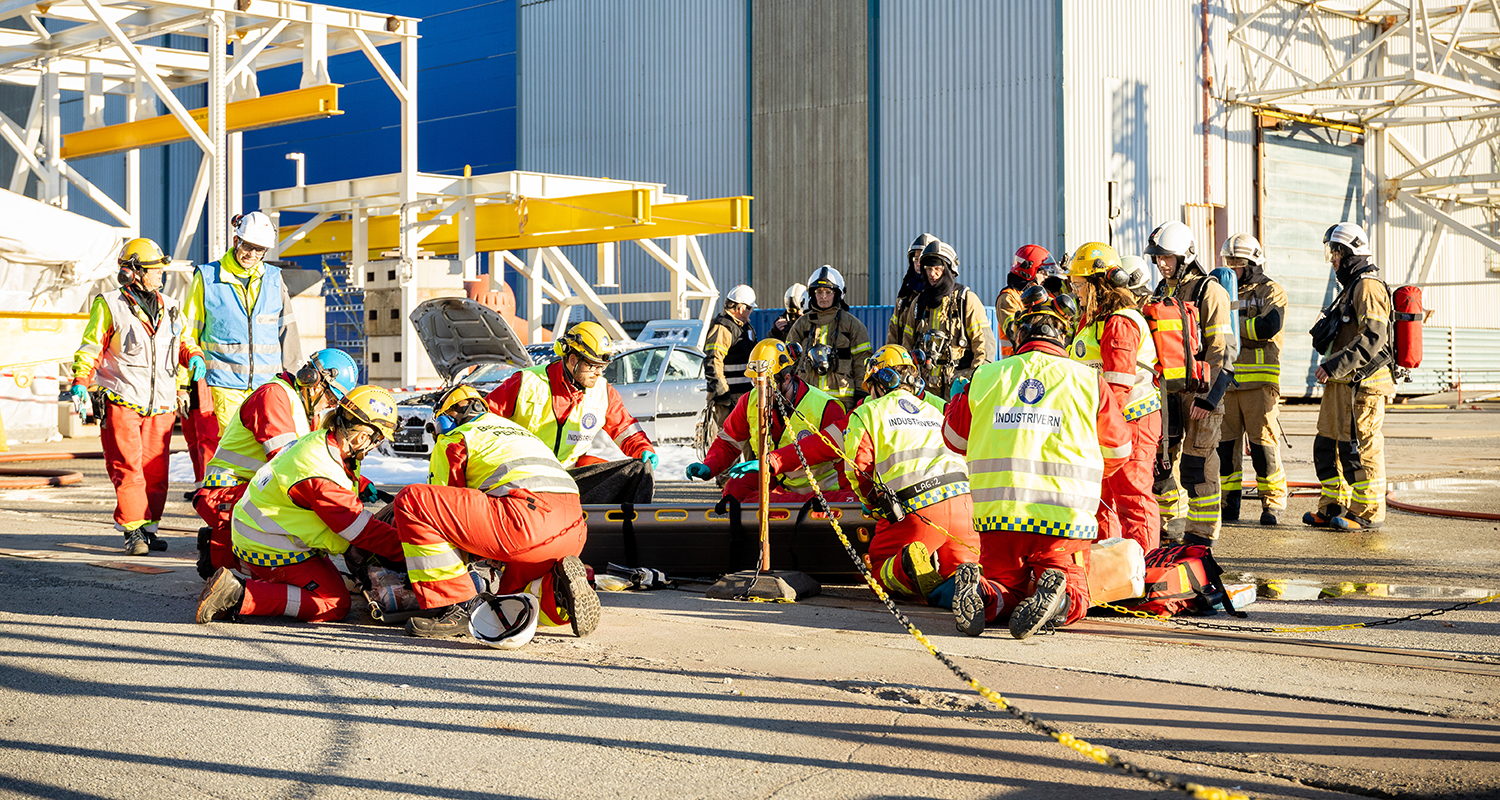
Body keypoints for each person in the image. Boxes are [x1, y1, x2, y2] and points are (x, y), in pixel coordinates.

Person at [944, 288, 1131, 639]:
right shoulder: (1088, 381)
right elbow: (1120, 450)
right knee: (1076, 593)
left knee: (1006, 588)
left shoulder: (985, 377)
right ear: (1063, 334)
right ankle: (1058, 599)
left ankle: (983, 595)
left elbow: (954, 440)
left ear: (1018, 333)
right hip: (1064, 521)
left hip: (1000, 519)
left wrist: (957, 398)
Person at [763, 344, 978, 606]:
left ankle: (906, 564)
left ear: (878, 383)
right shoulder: (935, 410)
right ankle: (963, 590)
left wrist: (872, 502)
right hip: (964, 507)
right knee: (961, 576)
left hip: (916, 511)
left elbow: (856, 465)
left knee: (879, 571)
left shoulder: (868, 412)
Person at [390, 385, 598, 640]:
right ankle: (556, 593)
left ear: (446, 418)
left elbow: (443, 507)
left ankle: (457, 605)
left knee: (413, 500)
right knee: (508, 602)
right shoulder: (517, 432)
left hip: (524, 524)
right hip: (572, 532)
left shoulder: (456, 436)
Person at [194, 385, 405, 624]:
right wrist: (410, 550)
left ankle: (224, 557)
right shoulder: (320, 472)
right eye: (378, 440)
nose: (375, 447)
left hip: (262, 532)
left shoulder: (322, 444)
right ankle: (238, 595)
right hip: (269, 545)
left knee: (335, 581)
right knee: (335, 602)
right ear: (362, 437)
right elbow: (360, 530)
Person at [71, 238, 204, 555]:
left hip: (162, 404)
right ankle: (133, 531)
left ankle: (149, 529)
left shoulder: (171, 306)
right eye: (154, 269)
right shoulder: (109, 305)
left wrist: (194, 355)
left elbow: (183, 341)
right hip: (122, 399)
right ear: (132, 272)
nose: (160, 274)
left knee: (156, 472)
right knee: (128, 467)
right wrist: (80, 380)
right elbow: (91, 347)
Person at [192, 348, 359, 578]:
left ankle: (224, 552)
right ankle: (222, 554)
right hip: (226, 494)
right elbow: (289, 465)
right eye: (330, 398)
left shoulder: (304, 410)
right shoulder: (274, 396)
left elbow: (316, 461)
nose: (328, 406)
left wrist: (359, 482)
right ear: (313, 381)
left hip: (248, 490)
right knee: (300, 516)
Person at [486, 321, 658, 505]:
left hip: (568, 475)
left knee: (634, 473)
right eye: (593, 366)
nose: (599, 373)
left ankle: (624, 524)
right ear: (573, 360)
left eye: (602, 366)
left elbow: (625, 428)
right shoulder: (526, 383)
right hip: (524, 476)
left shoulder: (604, 392)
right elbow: (483, 421)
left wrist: (643, 449)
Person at [1066, 242, 1163, 553]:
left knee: (1132, 497)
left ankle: (1143, 566)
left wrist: (1099, 426)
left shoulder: (1120, 322)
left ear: (1099, 284)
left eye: (1079, 285)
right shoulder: (1094, 320)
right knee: (1101, 500)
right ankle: (1107, 565)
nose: (1076, 293)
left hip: (1130, 421)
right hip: (1108, 422)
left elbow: (1118, 386)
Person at [1146, 220, 1234, 546]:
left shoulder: (1208, 291)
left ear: (1186, 256)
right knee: (1161, 463)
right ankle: (1167, 528)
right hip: (1166, 394)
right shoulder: (1161, 292)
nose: (1162, 263)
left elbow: (1222, 350)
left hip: (1199, 394)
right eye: (1158, 257)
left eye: (1167, 257)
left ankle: (1200, 535)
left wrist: (1208, 398)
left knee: (1198, 464)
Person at [685, 339, 854, 504]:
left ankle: (783, 505)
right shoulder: (749, 401)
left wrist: (848, 500)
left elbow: (844, 463)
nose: (760, 391)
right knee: (735, 489)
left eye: (766, 384)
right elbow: (728, 442)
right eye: (755, 383)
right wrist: (710, 466)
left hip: (818, 490)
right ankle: (785, 504)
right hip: (776, 481)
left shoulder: (825, 406)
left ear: (786, 379)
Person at [1305, 222, 1394, 531]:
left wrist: (1334, 366)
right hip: (1341, 384)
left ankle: (1367, 512)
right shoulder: (1351, 286)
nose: (1332, 259)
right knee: (1329, 446)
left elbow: (1373, 336)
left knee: (1362, 450)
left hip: (1364, 385)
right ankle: (1333, 505)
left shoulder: (1368, 286)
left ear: (1349, 253)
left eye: (1336, 253)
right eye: (1331, 253)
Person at [184, 211, 303, 441]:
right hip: (225, 387)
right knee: (235, 447)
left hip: (268, 387)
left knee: (271, 447)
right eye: (248, 247)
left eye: (260, 250)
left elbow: (287, 331)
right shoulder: (207, 278)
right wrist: (183, 383)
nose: (253, 255)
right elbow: (188, 332)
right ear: (236, 240)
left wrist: (294, 380)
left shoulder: (274, 279)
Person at [1217, 234, 1288, 526]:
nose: (1231, 267)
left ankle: (1272, 504)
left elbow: (1267, 327)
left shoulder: (1271, 291)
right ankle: (1227, 504)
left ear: (1252, 263)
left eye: (1237, 262)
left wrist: (1233, 329)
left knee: (1263, 448)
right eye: (1228, 261)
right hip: (1228, 383)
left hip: (1259, 385)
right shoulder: (1223, 291)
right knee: (1225, 450)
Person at [891, 240, 990, 400]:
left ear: (949, 270)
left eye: (937, 269)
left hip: (958, 389)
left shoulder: (965, 300)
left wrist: (975, 382)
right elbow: (907, 345)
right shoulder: (918, 303)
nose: (932, 274)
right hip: (925, 391)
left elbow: (983, 345)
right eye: (928, 269)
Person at [787, 265, 872, 409]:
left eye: (828, 292)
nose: (824, 297)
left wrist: (861, 394)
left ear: (838, 294)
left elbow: (862, 362)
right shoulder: (801, 324)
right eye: (819, 292)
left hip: (841, 401)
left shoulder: (852, 325)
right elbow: (788, 360)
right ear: (812, 294)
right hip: (806, 399)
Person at [705, 285, 758, 430]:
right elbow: (713, 361)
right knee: (730, 439)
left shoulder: (745, 328)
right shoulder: (723, 328)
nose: (752, 312)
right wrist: (722, 393)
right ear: (741, 308)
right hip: (729, 398)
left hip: (744, 395)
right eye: (750, 308)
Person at [996, 244, 1053, 357]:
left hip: (1039, 359)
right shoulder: (1008, 298)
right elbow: (1015, 333)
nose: (1046, 276)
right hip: (1016, 362)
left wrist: (1067, 275)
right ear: (1030, 271)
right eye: (1043, 272)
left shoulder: (1041, 294)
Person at [888, 233, 939, 345]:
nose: (918, 264)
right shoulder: (904, 298)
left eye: (922, 259)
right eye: (915, 259)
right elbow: (893, 335)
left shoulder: (944, 297)